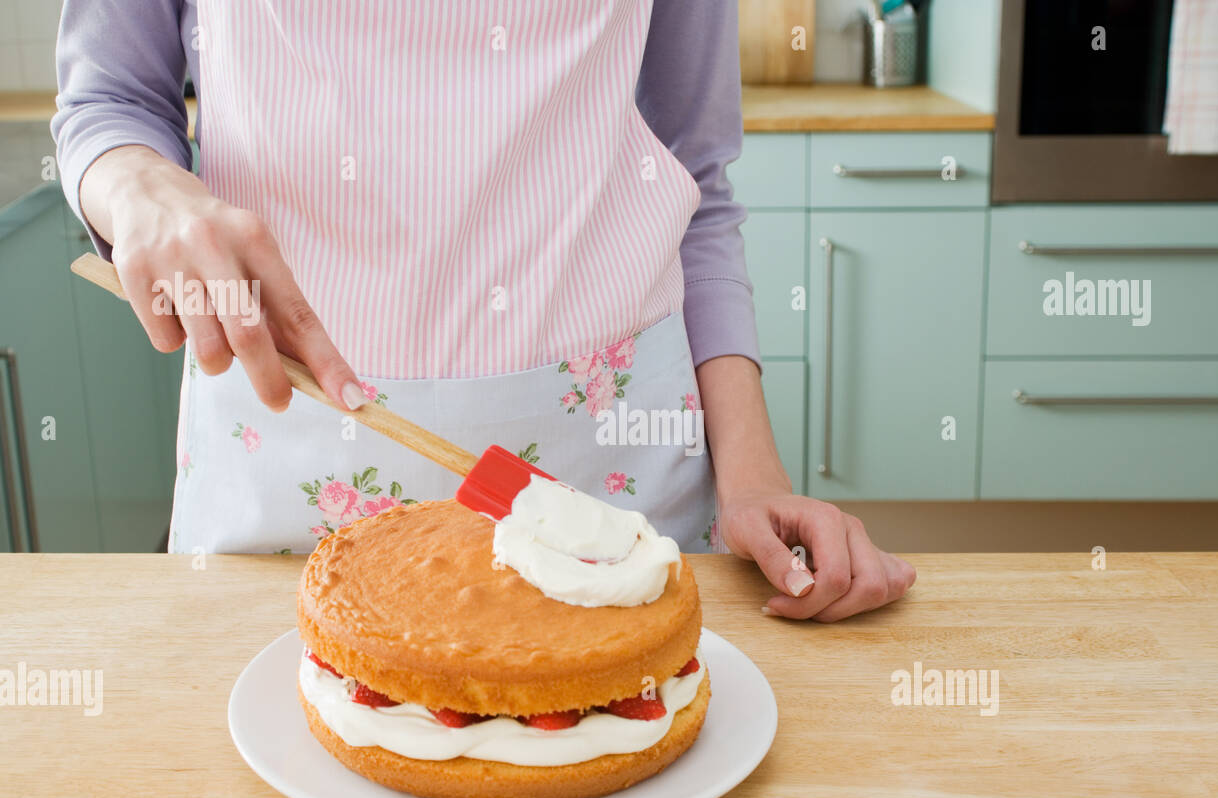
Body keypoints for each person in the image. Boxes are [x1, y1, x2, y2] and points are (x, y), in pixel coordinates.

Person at [52, 0, 915, 621]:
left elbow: (697, 179)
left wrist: (754, 479)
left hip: (611, 468)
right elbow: (109, 100)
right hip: (286, 458)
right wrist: (135, 183)